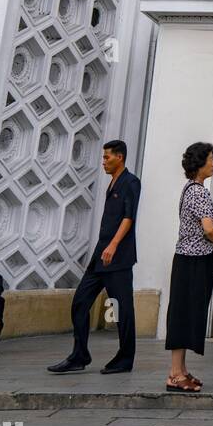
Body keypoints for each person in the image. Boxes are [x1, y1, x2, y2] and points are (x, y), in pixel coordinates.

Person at [48, 140, 140, 375]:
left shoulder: (131, 182)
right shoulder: (112, 183)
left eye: (107, 157)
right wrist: (103, 248)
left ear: (119, 157)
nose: (103, 162)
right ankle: (80, 355)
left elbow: (128, 218)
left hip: (118, 258)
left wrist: (113, 245)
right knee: (80, 302)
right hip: (100, 256)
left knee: (121, 309)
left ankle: (125, 358)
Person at [164, 141, 213, 394]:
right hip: (193, 260)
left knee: (187, 313)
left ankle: (182, 370)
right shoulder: (198, 192)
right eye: (210, 159)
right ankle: (175, 375)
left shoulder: (192, 189)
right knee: (185, 314)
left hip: (190, 260)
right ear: (199, 163)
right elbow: (208, 228)